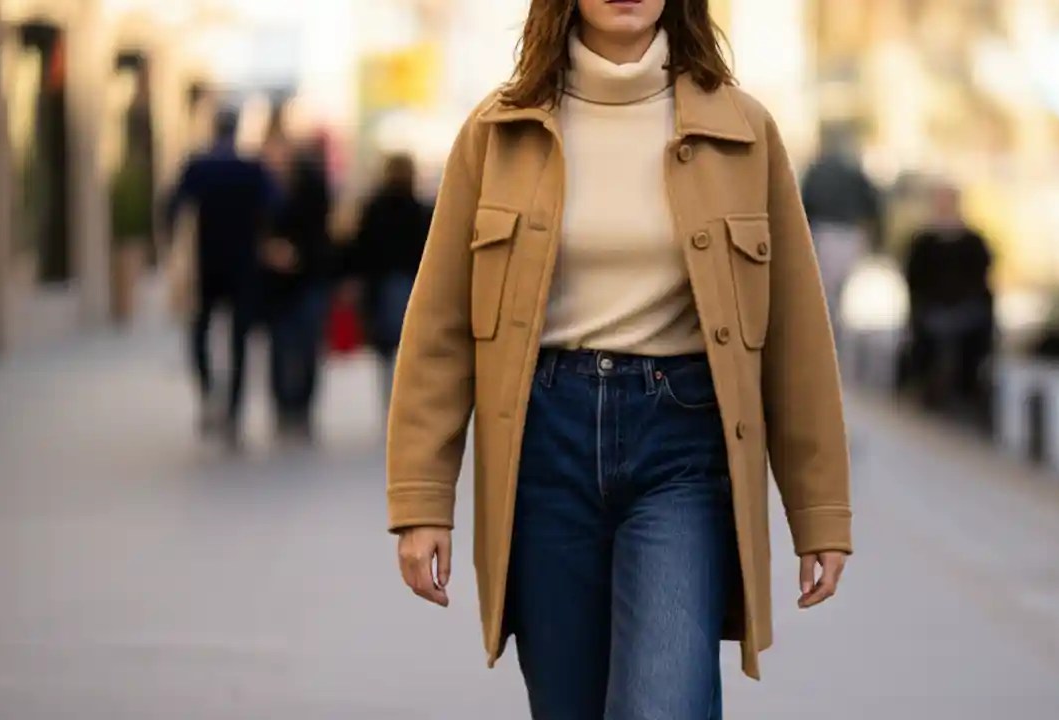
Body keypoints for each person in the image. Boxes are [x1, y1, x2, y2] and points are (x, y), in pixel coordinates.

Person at [385, 1, 852, 718]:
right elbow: (439, 329)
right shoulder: (497, 132)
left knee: (665, 702)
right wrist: (422, 502)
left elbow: (796, 336)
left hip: (684, 450)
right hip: (544, 447)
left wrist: (818, 512)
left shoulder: (744, 131)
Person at [166, 109, 278, 448]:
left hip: (209, 262)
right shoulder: (251, 168)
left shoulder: (200, 166)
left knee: (200, 329)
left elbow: (173, 204)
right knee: (240, 338)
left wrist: (169, 245)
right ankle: (233, 407)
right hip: (243, 263)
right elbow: (277, 204)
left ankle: (207, 392)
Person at [346, 153, 432, 401]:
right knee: (409, 342)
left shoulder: (374, 207)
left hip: (380, 283)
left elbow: (361, 247)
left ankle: (390, 397)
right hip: (410, 282)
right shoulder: (420, 209)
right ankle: (404, 394)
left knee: (385, 346)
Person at [263, 139, 333, 441]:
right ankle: (296, 405)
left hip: (296, 282)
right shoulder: (283, 193)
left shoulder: (288, 195)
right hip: (297, 282)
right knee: (299, 346)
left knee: (292, 346)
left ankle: (291, 405)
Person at [903, 183, 995, 411]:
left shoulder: (973, 241)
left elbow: (982, 276)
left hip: (967, 309)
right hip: (931, 308)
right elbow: (914, 278)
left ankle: (966, 389)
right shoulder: (923, 242)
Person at [800, 122, 882, 341]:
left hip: (829, 232)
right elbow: (872, 203)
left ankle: (830, 333)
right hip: (844, 232)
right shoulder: (849, 168)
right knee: (836, 290)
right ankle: (831, 334)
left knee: (829, 291)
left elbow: (804, 204)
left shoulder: (819, 169)